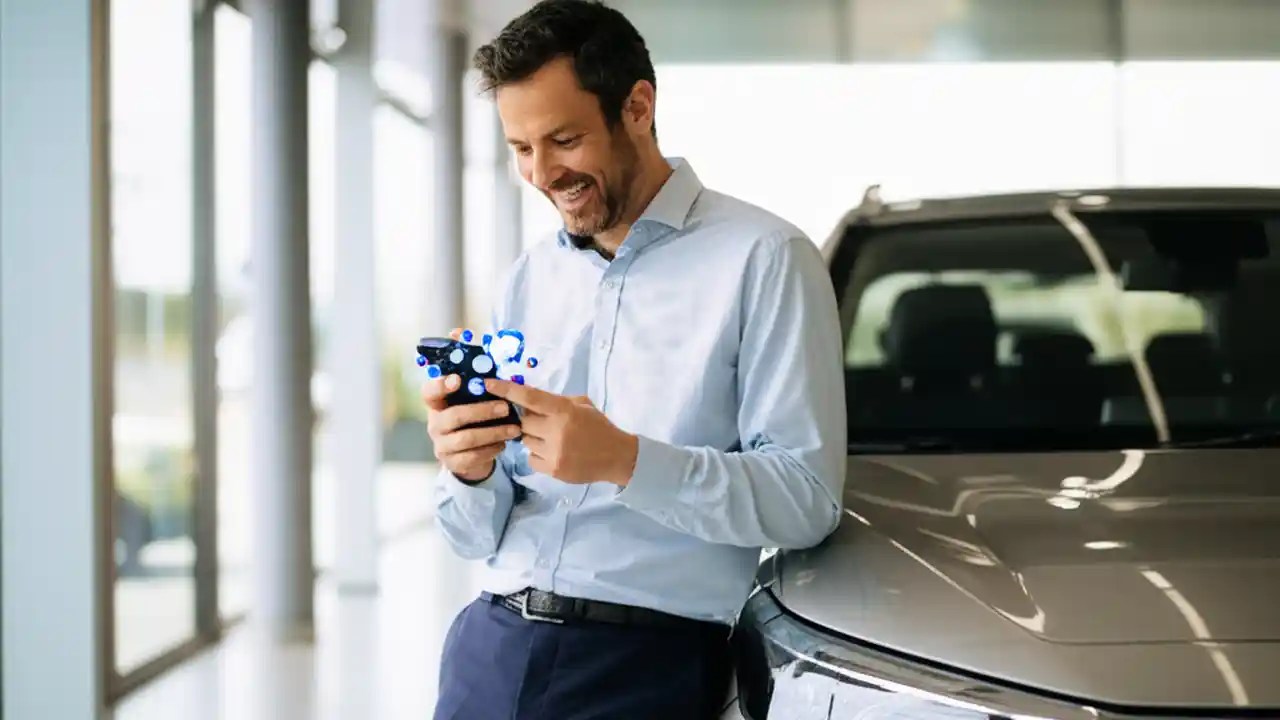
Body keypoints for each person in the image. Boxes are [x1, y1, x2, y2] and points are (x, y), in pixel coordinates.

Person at [422, 1, 847, 717]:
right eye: (521, 148)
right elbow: (472, 534)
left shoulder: (766, 259)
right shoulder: (530, 276)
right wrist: (469, 470)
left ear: (638, 107)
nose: (542, 173)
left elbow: (806, 500)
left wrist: (625, 460)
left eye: (564, 140)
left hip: (644, 664)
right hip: (488, 649)